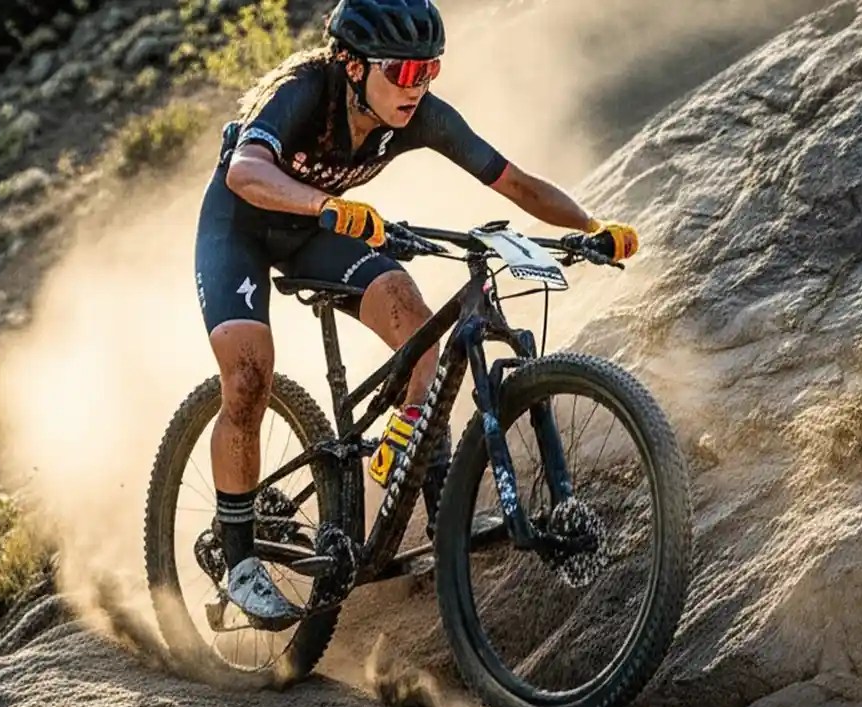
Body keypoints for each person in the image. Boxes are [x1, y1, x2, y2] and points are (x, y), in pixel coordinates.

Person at [194, 0, 640, 630]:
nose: (419, 86)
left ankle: (434, 507)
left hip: (315, 228)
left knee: (419, 326)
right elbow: (244, 171)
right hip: (237, 227)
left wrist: (590, 227)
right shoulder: (304, 90)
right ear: (352, 65)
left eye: (429, 70)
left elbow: (514, 182)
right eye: (403, 73)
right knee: (247, 374)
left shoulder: (419, 116)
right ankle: (240, 563)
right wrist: (327, 205)